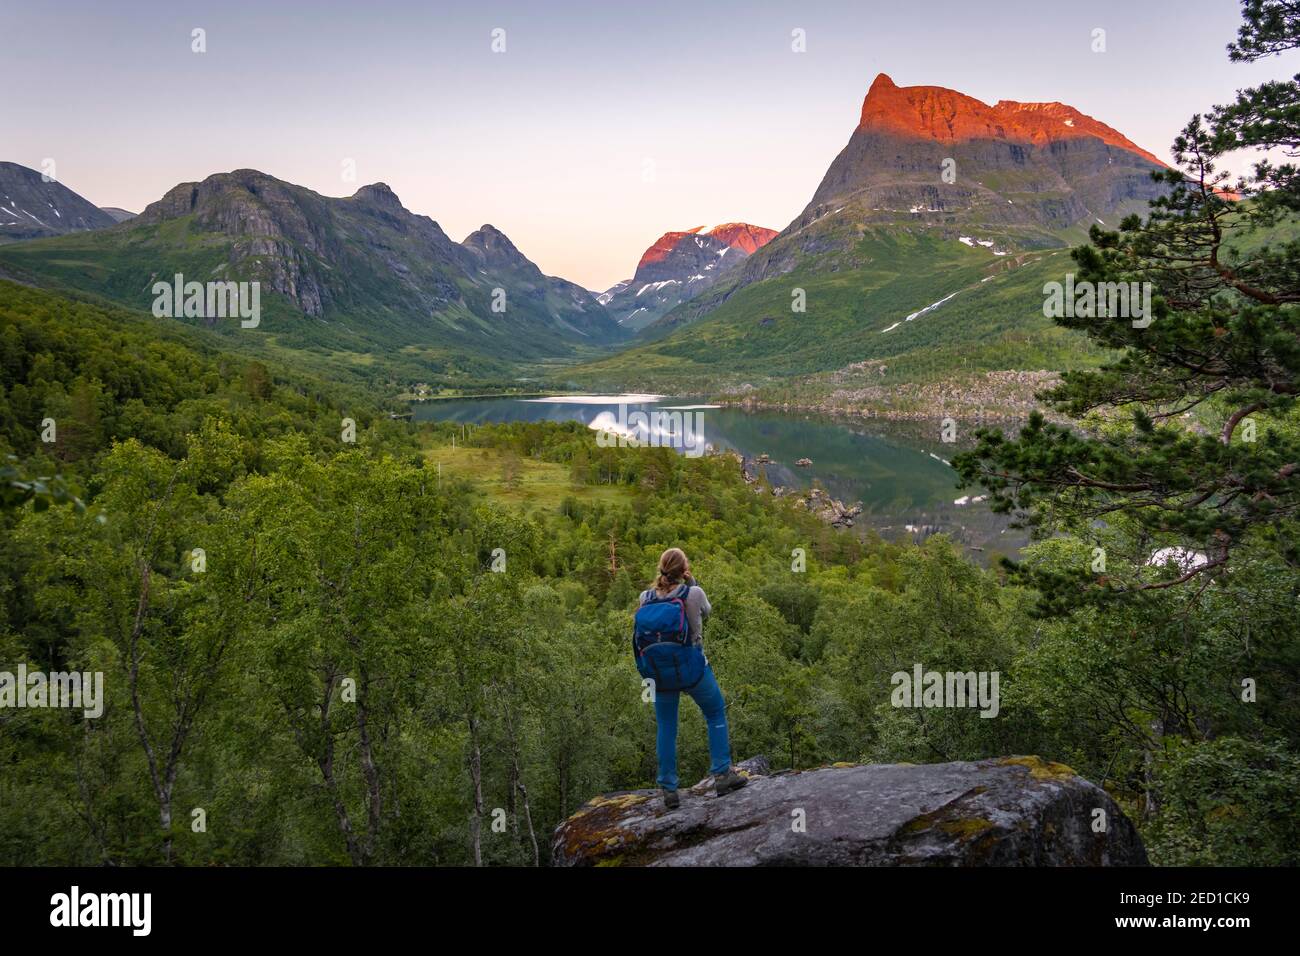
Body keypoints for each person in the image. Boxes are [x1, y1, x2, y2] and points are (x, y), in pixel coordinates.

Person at [639, 547, 747, 809]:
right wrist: (692, 582)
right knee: (715, 713)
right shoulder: (694, 593)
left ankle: (668, 789)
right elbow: (707, 612)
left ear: (661, 568)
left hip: (660, 674)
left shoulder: (645, 597)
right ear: (683, 569)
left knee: (666, 727)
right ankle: (722, 775)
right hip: (692, 667)